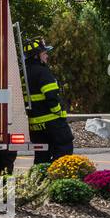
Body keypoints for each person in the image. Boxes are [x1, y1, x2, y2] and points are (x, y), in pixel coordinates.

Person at [24, 37, 74, 165]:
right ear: (36, 56)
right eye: (44, 53)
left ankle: (40, 180)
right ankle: (55, 176)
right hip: (52, 122)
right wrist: (58, 112)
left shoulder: (24, 74)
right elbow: (51, 96)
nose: (47, 56)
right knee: (64, 148)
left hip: (35, 125)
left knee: (42, 155)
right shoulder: (42, 72)